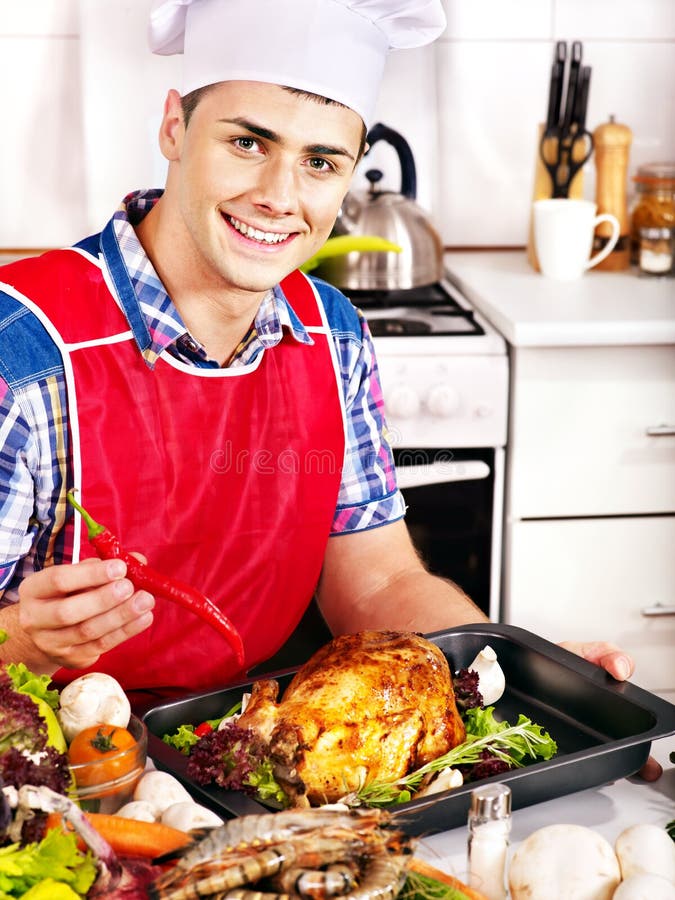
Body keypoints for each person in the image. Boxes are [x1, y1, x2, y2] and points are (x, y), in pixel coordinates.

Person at [0, 0, 658, 779]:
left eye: (320, 161)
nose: (281, 195)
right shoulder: (26, 350)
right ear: (174, 127)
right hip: (54, 766)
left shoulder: (331, 331)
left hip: (259, 757)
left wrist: (512, 661)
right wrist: (20, 641)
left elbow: (376, 580)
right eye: (248, 142)